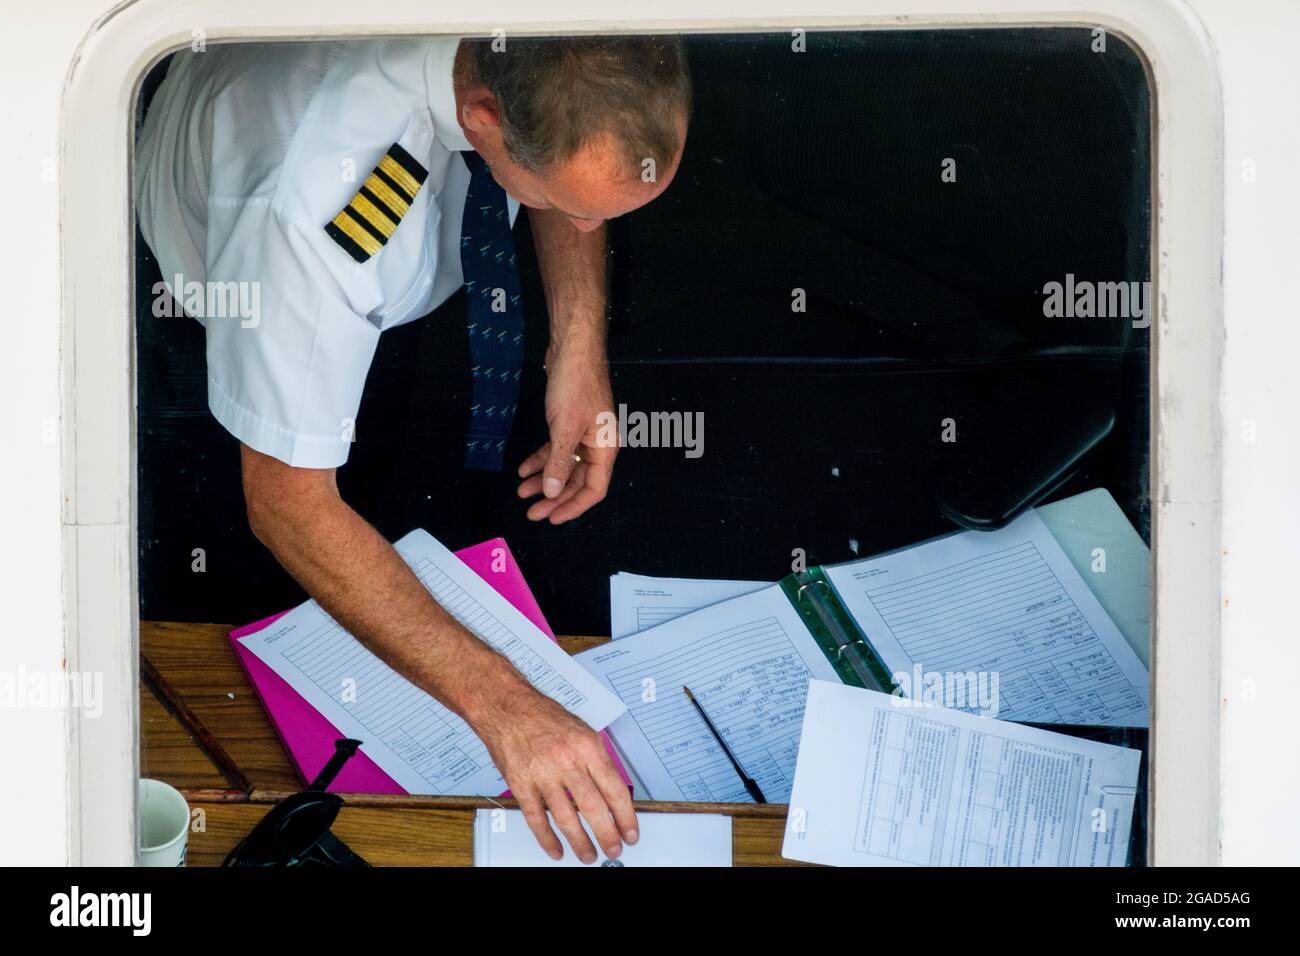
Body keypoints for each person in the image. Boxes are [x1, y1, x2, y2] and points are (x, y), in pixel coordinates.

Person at [136, 33, 692, 864]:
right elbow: (288, 504)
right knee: (252, 590)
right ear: (480, 118)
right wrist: (510, 710)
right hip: (231, 292)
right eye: (579, 209)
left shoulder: (540, 58)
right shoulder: (311, 217)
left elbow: (569, 133)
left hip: (420, 274)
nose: (590, 228)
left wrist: (577, 341)